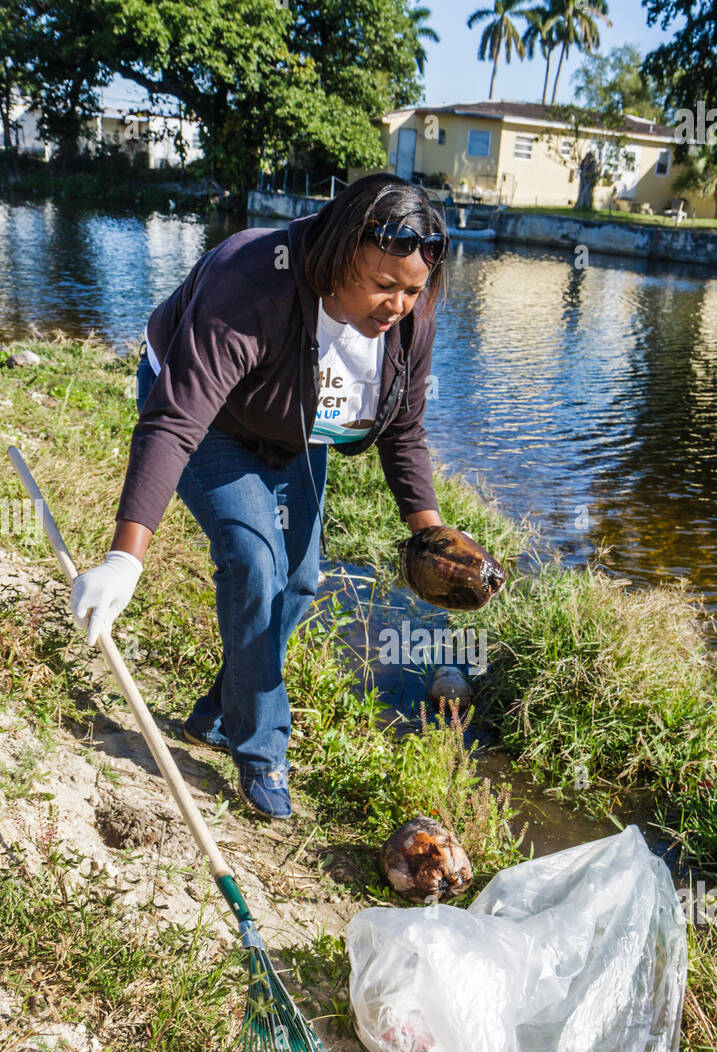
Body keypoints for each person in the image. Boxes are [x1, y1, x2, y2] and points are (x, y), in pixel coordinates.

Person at [70, 174, 448, 821]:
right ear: (338, 254)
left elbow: (404, 429)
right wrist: (124, 560)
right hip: (212, 422)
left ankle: (219, 711)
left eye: (411, 290)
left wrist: (433, 535)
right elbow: (175, 422)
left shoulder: (410, 318)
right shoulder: (253, 275)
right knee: (254, 561)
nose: (398, 304)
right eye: (384, 285)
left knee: (299, 581)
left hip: (298, 431)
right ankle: (261, 749)